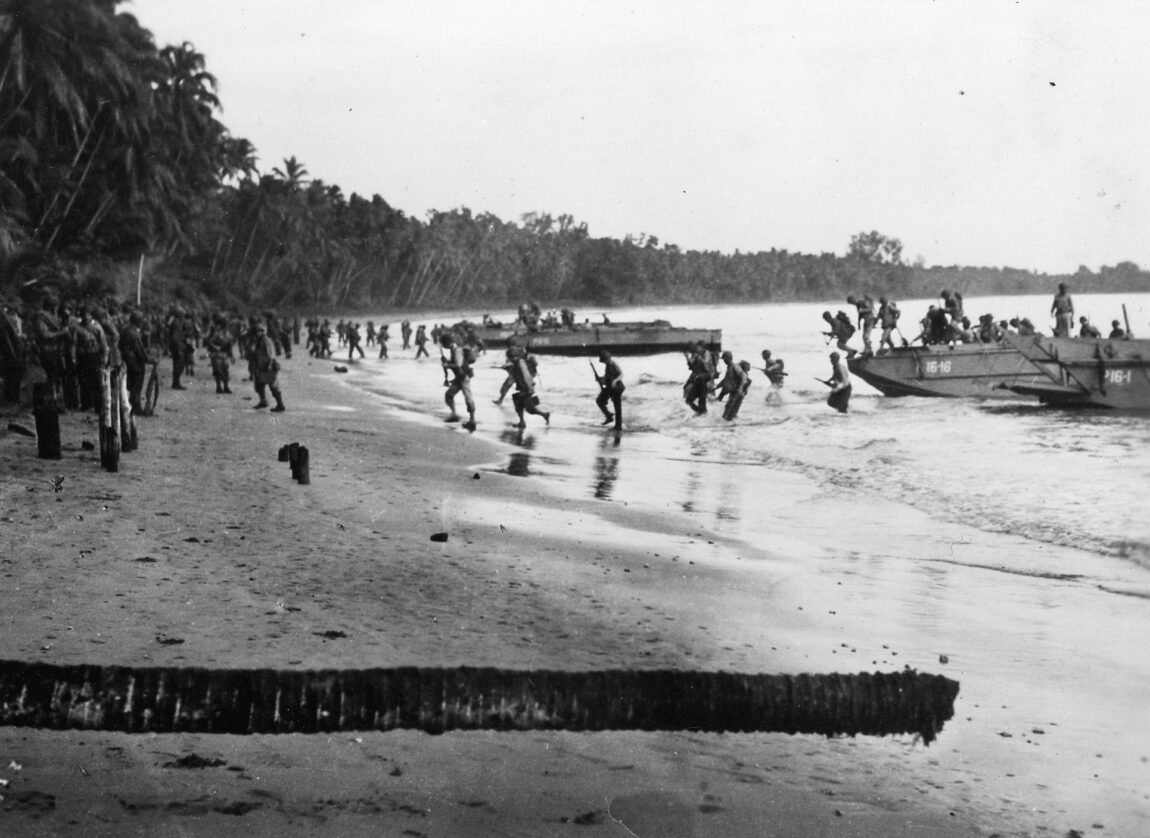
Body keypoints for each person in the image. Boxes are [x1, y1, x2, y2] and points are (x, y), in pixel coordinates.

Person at [440, 333, 475, 429]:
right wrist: (447, 361)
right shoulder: (453, 349)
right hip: (459, 377)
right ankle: (454, 414)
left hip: (463, 377)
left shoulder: (457, 350)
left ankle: (472, 420)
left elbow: (458, 364)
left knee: (468, 397)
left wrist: (447, 365)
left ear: (446, 343)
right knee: (449, 395)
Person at [249, 321, 285, 411]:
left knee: (273, 386)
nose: (257, 333)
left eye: (259, 331)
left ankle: (280, 405)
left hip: (268, 367)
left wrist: (269, 365)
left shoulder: (266, 340)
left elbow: (271, 354)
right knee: (259, 385)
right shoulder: (259, 340)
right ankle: (263, 401)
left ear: (262, 331)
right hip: (261, 367)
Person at [509, 349, 549, 429]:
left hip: (525, 388)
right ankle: (522, 421)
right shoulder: (518, 362)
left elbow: (525, 375)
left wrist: (529, 387)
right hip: (523, 387)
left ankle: (544, 415)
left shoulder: (520, 363)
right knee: (518, 403)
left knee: (529, 408)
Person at [715, 353, 751, 421]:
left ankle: (730, 426)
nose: (723, 361)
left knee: (729, 410)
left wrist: (740, 388)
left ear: (728, 358)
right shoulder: (729, 367)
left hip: (738, 392)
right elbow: (725, 380)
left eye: (724, 359)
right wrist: (715, 388)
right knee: (730, 412)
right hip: (734, 392)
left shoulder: (735, 367)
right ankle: (732, 426)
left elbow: (743, 376)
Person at [593, 350, 624, 430]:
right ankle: (609, 416)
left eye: (605, 361)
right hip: (610, 387)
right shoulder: (607, 365)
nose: (604, 363)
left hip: (617, 387)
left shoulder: (613, 364)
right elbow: (606, 377)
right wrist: (600, 379)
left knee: (617, 408)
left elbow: (621, 374)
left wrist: (615, 381)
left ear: (608, 358)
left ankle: (618, 426)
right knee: (599, 400)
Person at [204, 316, 235, 394]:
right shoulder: (217, 333)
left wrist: (231, 355)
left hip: (225, 355)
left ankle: (226, 387)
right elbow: (210, 342)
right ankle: (219, 387)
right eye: (225, 324)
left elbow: (230, 344)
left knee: (225, 371)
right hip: (217, 354)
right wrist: (216, 347)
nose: (226, 326)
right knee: (218, 371)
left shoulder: (228, 334)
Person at [683, 342, 716, 414]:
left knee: (701, 401)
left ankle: (702, 413)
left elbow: (709, 372)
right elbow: (692, 367)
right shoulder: (697, 358)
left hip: (702, 383)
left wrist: (703, 377)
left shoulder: (702, 359)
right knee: (689, 400)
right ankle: (700, 412)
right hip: (698, 381)